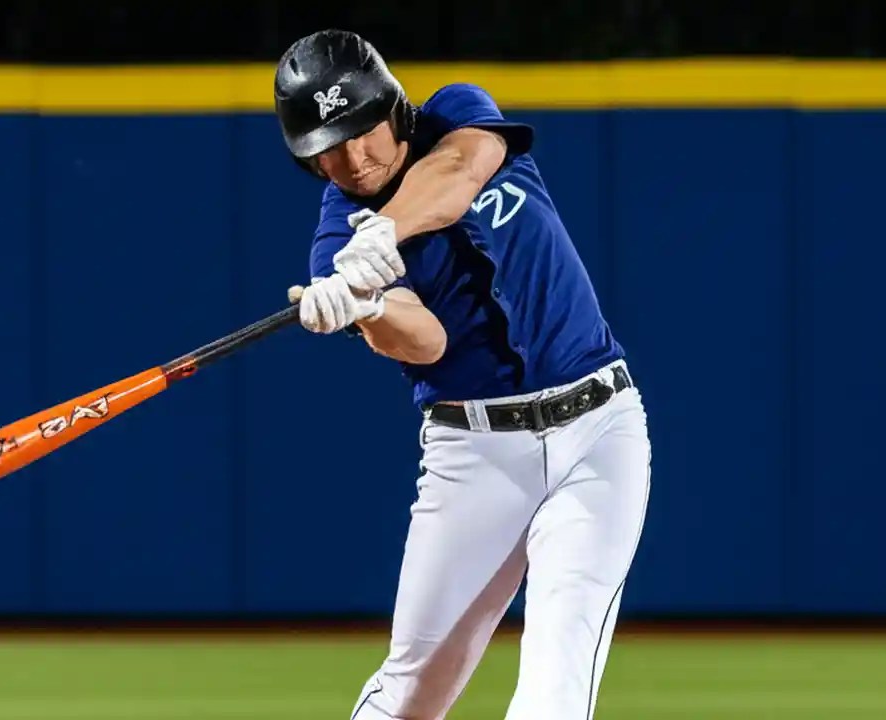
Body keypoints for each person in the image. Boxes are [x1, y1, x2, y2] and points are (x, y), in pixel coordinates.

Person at [276, 29, 653, 719]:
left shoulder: (455, 113)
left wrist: (384, 236)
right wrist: (366, 304)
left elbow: (459, 174)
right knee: (411, 692)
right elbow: (425, 342)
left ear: (390, 107)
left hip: (598, 431)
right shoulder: (336, 242)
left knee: (556, 681)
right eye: (327, 146)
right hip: (476, 454)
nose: (352, 156)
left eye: (361, 127)